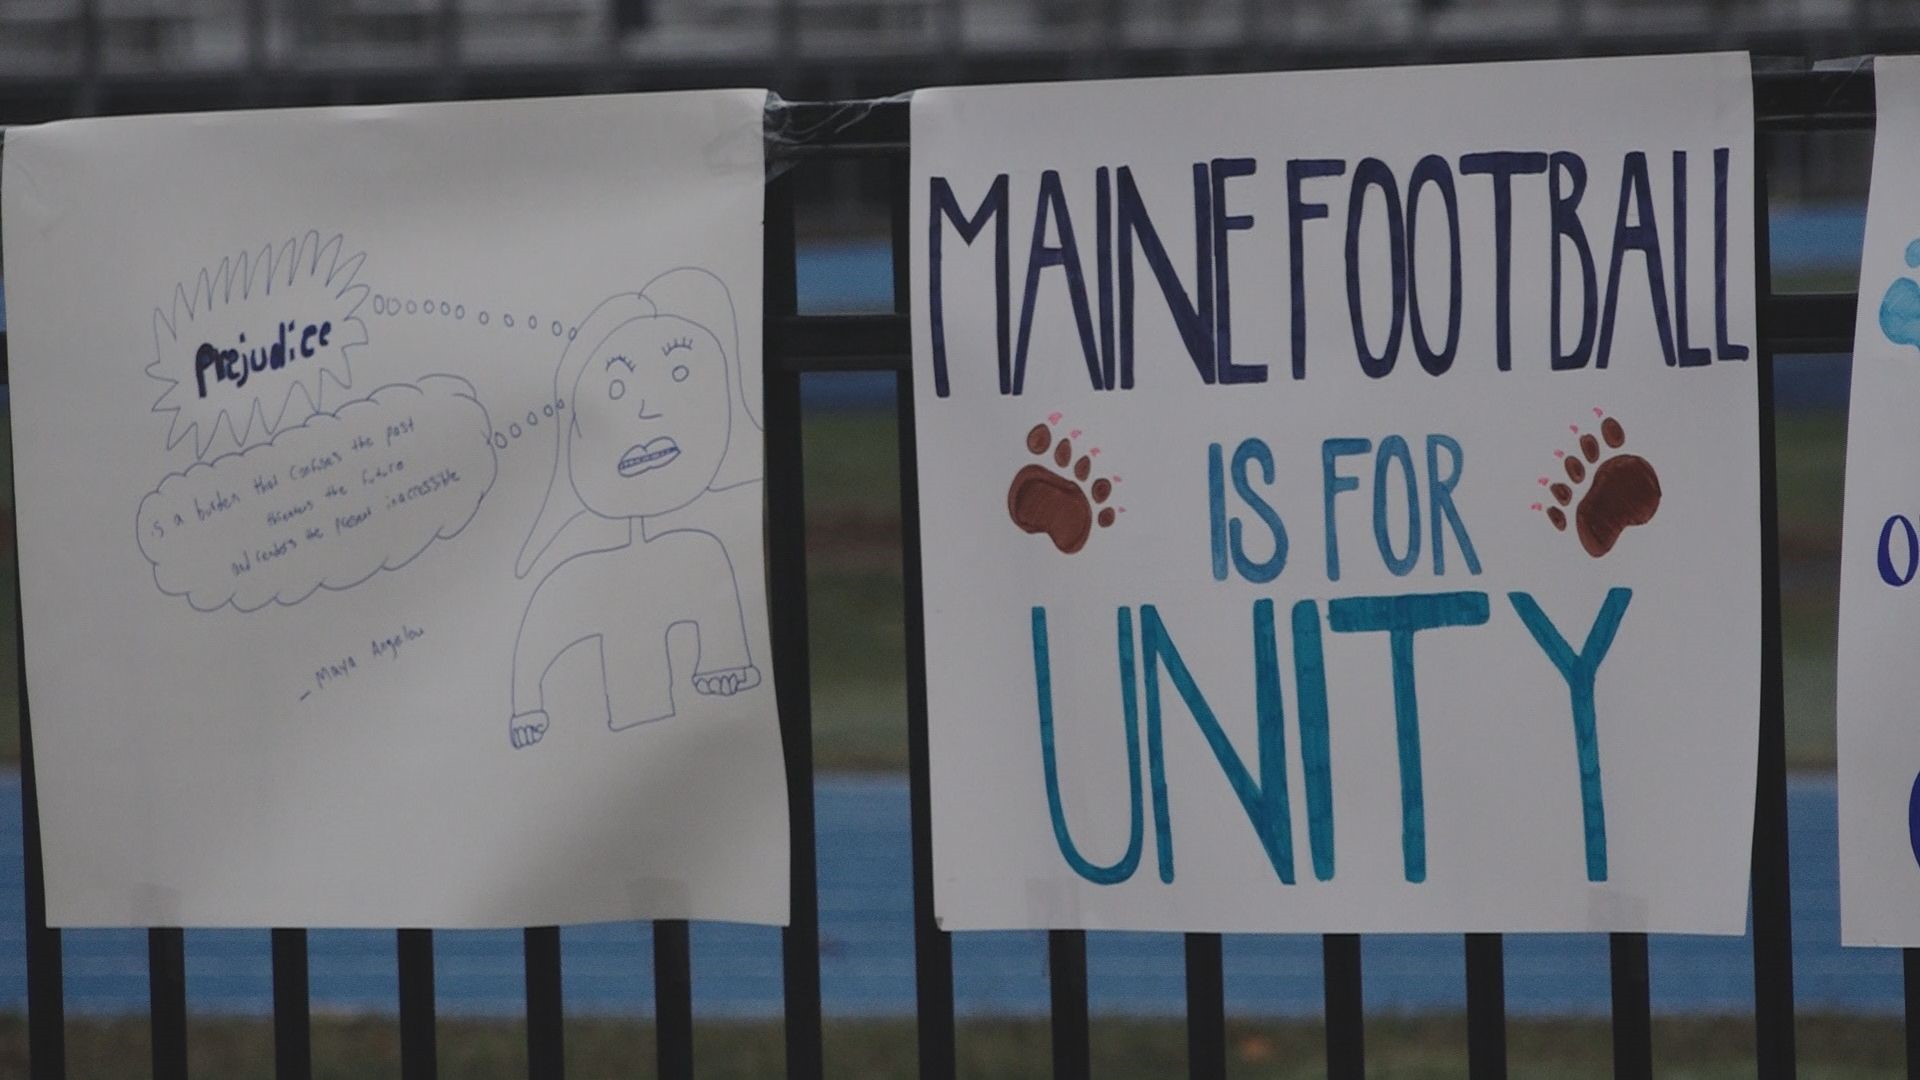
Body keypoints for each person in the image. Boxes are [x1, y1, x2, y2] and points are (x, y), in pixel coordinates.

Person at [508, 268, 764, 749]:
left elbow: (723, 637)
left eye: (679, 373)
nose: (648, 409)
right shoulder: (572, 581)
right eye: (617, 389)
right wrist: (527, 704)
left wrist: (723, 662)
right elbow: (537, 642)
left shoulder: (702, 554)